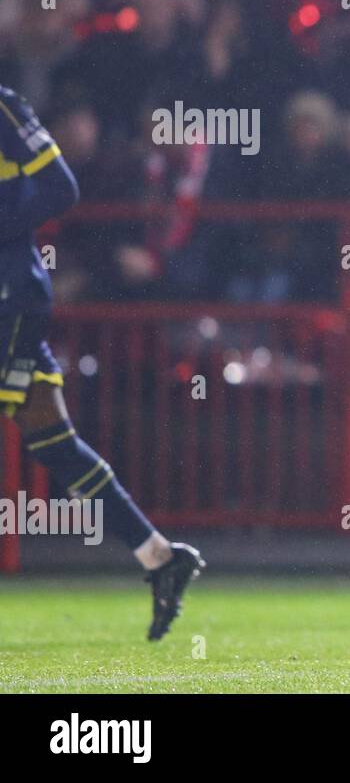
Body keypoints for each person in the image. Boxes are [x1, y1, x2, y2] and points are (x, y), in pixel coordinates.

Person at [0, 85, 203, 640]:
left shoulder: (3, 108)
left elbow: (59, 187)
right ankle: (158, 555)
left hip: (8, 296)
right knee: (55, 444)